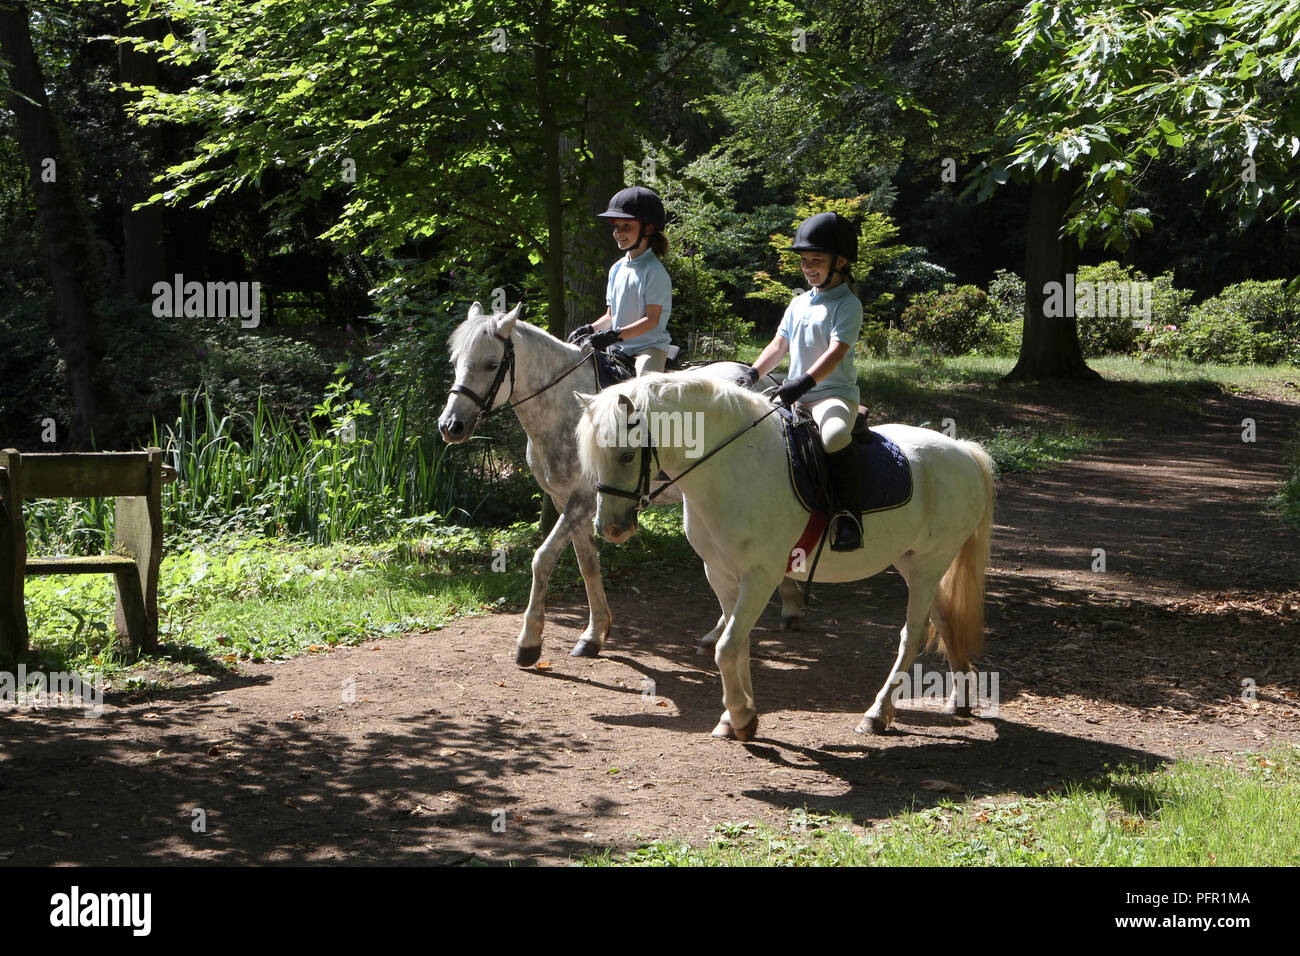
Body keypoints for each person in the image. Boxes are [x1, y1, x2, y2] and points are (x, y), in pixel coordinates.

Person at [744, 211, 864, 551]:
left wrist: (802, 384)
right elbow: (778, 346)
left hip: (831, 396)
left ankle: (848, 516)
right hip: (794, 396)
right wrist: (752, 373)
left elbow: (836, 353)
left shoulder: (848, 304)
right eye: (804, 261)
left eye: (816, 260)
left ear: (839, 261)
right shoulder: (798, 302)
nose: (808, 267)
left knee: (835, 434)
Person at [568, 186, 673, 376]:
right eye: (616, 226)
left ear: (648, 228)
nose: (618, 232)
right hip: (618, 347)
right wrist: (589, 329)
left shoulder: (655, 271)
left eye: (627, 226)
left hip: (647, 350)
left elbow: (651, 320)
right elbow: (610, 316)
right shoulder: (617, 268)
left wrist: (614, 335)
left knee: (642, 391)